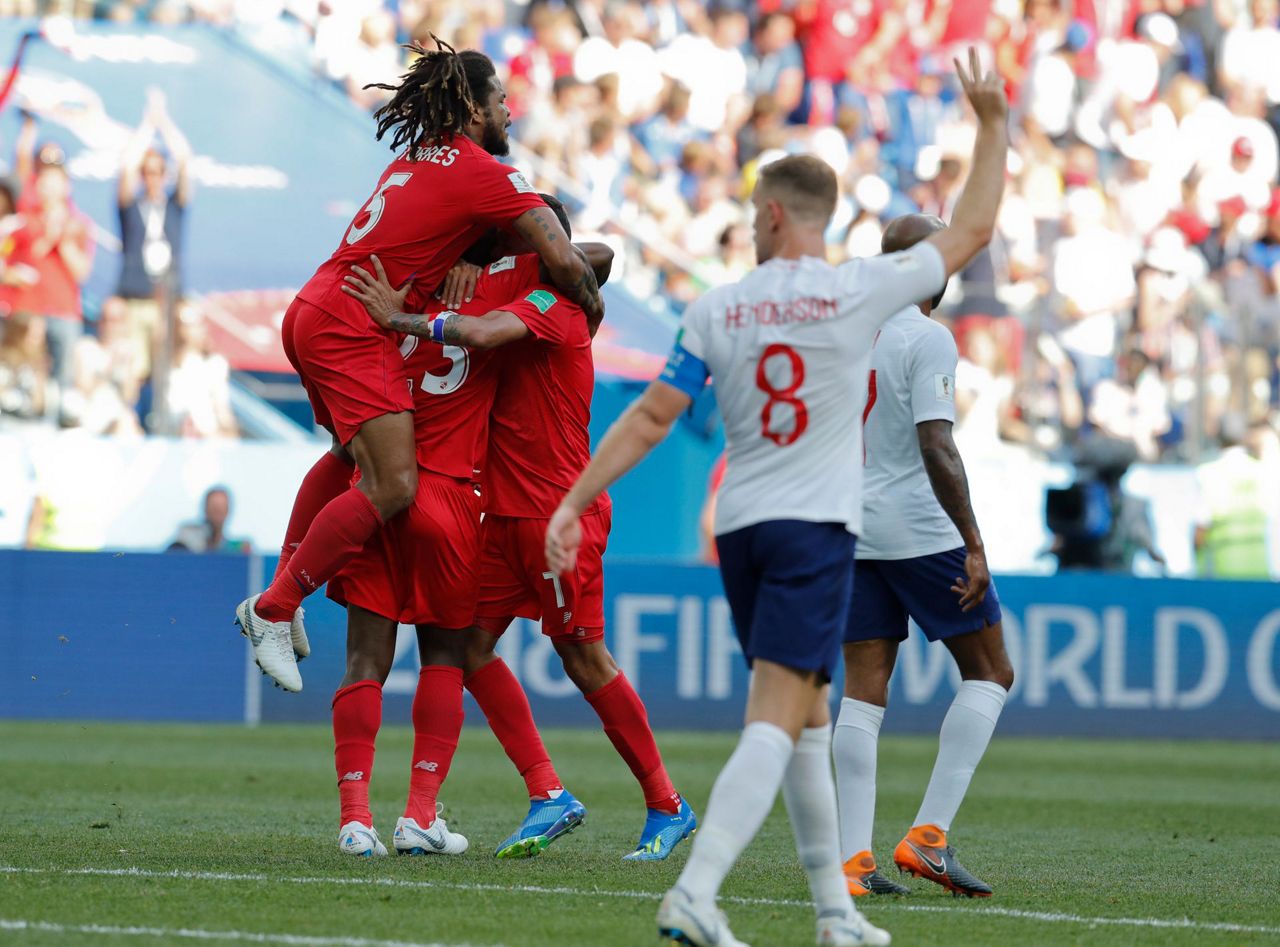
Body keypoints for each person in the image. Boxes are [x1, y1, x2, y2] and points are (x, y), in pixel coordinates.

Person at [545, 49, 1009, 947]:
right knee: (777, 717)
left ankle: (835, 911)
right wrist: (990, 128)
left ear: (766, 216)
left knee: (804, 720)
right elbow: (973, 234)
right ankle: (698, 888)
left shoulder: (719, 306)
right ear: (824, 221)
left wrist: (575, 499)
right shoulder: (857, 294)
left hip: (745, 531)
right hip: (812, 535)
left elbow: (648, 418)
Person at [235, 36, 605, 694]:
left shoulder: (413, 158)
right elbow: (574, 259)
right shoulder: (488, 174)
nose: (509, 113)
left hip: (315, 307)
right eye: (500, 101)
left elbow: (442, 225)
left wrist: (467, 254)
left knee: (350, 459)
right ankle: (275, 606)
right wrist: (588, 310)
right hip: (355, 325)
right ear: (473, 110)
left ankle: (282, 588)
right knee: (395, 484)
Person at [343, 196, 694, 864]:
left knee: (583, 657)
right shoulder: (519, 282)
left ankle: (667, 804)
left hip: (557, 513)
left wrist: (397, 318)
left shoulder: (555, 305)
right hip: (506, 515)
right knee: (467, 646)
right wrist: (474, 256)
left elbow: (485, 331)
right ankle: (548, 792)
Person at [833, 213, 1012, 903]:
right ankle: (928, 836)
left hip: (851, 521)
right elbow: (937, 443)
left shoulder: (850, 330)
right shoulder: (926, 336)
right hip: (916, 525)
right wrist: (973, 541)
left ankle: (852, 861)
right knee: (991, 669)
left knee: (863, 689)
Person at [117, 88, 192, 376]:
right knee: (132, 370)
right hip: (136, 298)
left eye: (158, 171)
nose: (153, 178)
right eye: (147, 171)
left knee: (167, 369)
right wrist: (147, 125)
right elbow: (125, 167)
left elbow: (185, 160)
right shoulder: (132, 208)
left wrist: (163, 121)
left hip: (167, 298)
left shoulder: (174, 206)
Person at [1193, 416, 1277, 578]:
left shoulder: (1208, 474)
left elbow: (1201, 527)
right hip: (1259, 570)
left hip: (1221, 573)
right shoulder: (1262, 471)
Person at [168, 487, 250, 553]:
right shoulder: (187, 538)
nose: (218, 513)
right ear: (205, 509)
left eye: (221, 509)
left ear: (228, 511)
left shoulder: (235, 548)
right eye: (214, 508)